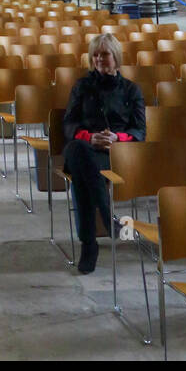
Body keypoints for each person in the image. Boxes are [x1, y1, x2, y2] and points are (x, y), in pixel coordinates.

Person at [63, 33, 145, 274]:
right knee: (80, 152)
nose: (99, 59)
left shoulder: (131, 90)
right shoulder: (82, 86)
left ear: (116, 57)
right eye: (95, 55)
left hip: (116, 152)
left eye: (104, 54)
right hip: (85, 146)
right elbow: (69, 125)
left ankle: (89, 244)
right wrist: (90, 137)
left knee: (82, 173)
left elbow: (140, 131)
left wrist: (115, 138)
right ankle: (107, 215)